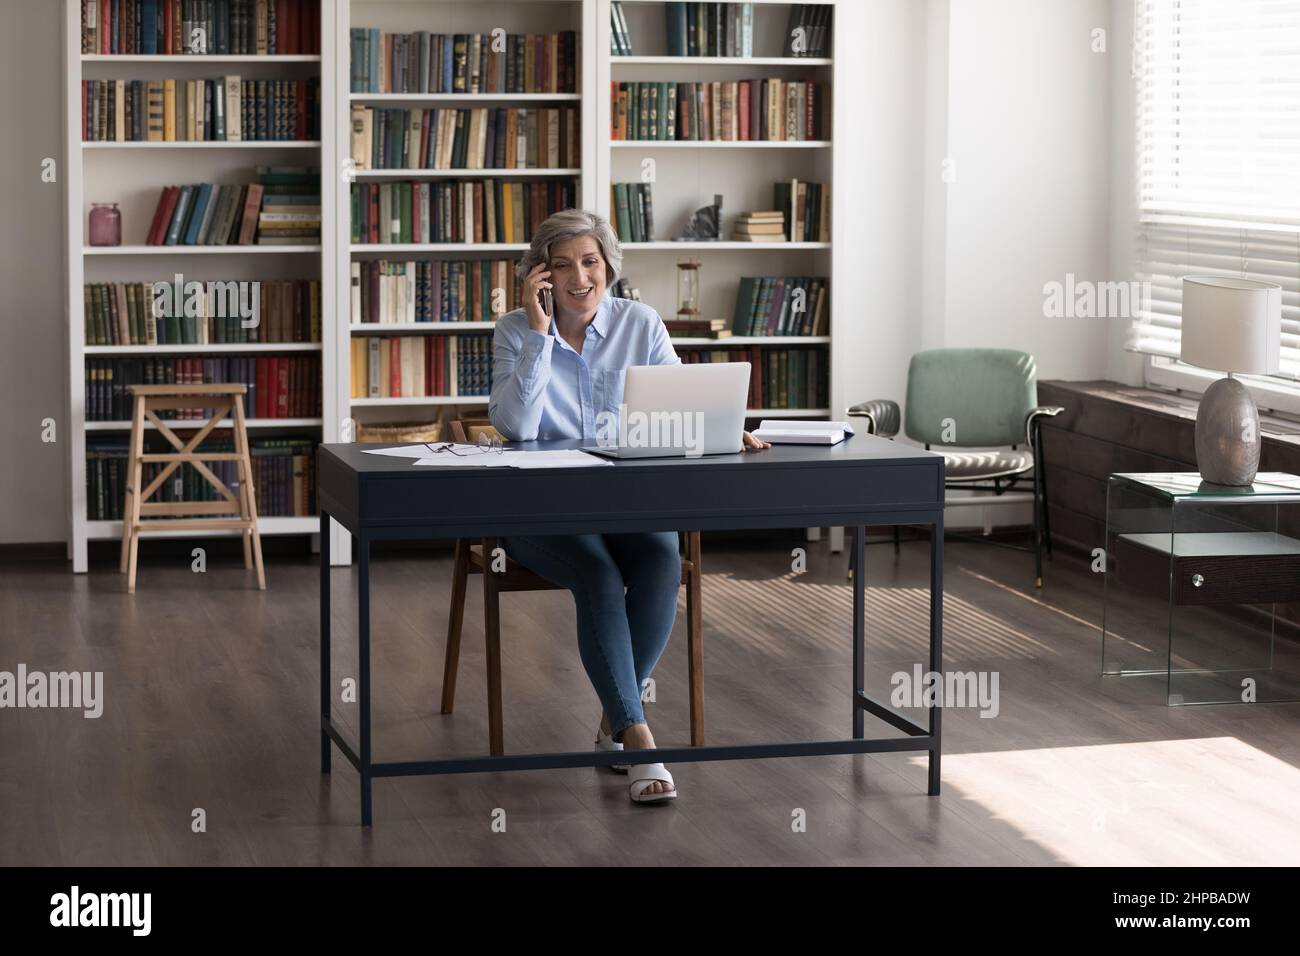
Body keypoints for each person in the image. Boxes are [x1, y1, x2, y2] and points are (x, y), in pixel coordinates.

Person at [488, 209, 770, 804]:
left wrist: (720, 427)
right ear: (540, 276)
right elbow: (516, 427)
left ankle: (615, 715)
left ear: (609, 267)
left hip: (626, 505)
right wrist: (540, 336)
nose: (579, 277)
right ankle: (637, 734)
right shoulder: (515, 330)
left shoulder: (640, 323)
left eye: (590, 262)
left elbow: (679, 403)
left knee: (661, 562)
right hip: (538, 512)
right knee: (598, 573)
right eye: (561, 265)